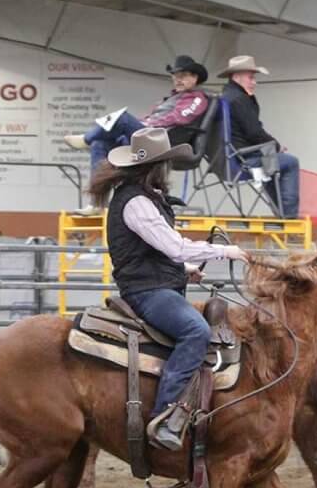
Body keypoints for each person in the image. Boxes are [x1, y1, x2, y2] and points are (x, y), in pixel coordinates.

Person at [89, 127, 250, 450]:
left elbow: (157, 252)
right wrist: (223, 251)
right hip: (147, 292)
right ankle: (166, 415)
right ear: (157, 167)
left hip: (155, 285)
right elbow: (174, 247)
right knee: (195, 331)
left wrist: (184, 271)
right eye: (167, 164)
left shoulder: (142, 198)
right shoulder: (137, 202)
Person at [66, 55, 210, 214]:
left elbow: (180, 117)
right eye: (175, 76)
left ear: (195, 78)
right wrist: (144, 123)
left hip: (163, 141)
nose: (178, 80)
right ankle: (97, 203)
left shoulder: (197, 98)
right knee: (99, 143)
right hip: (150, 136)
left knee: (122, 118)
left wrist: (147, 124)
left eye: (183, 76)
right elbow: (154, 118)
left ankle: (86, 138)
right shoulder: (170, 99)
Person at [219, 55, 300, 218]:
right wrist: (277, 146)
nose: (254, 82)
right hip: (244, 159)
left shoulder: (225, 98)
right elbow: (254, 133)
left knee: (273, 163)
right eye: (251, 77)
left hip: (230, 158)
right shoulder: (239, 99)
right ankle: (289, 217)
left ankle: (282, 214)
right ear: (236, 76)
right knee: (290, 162)